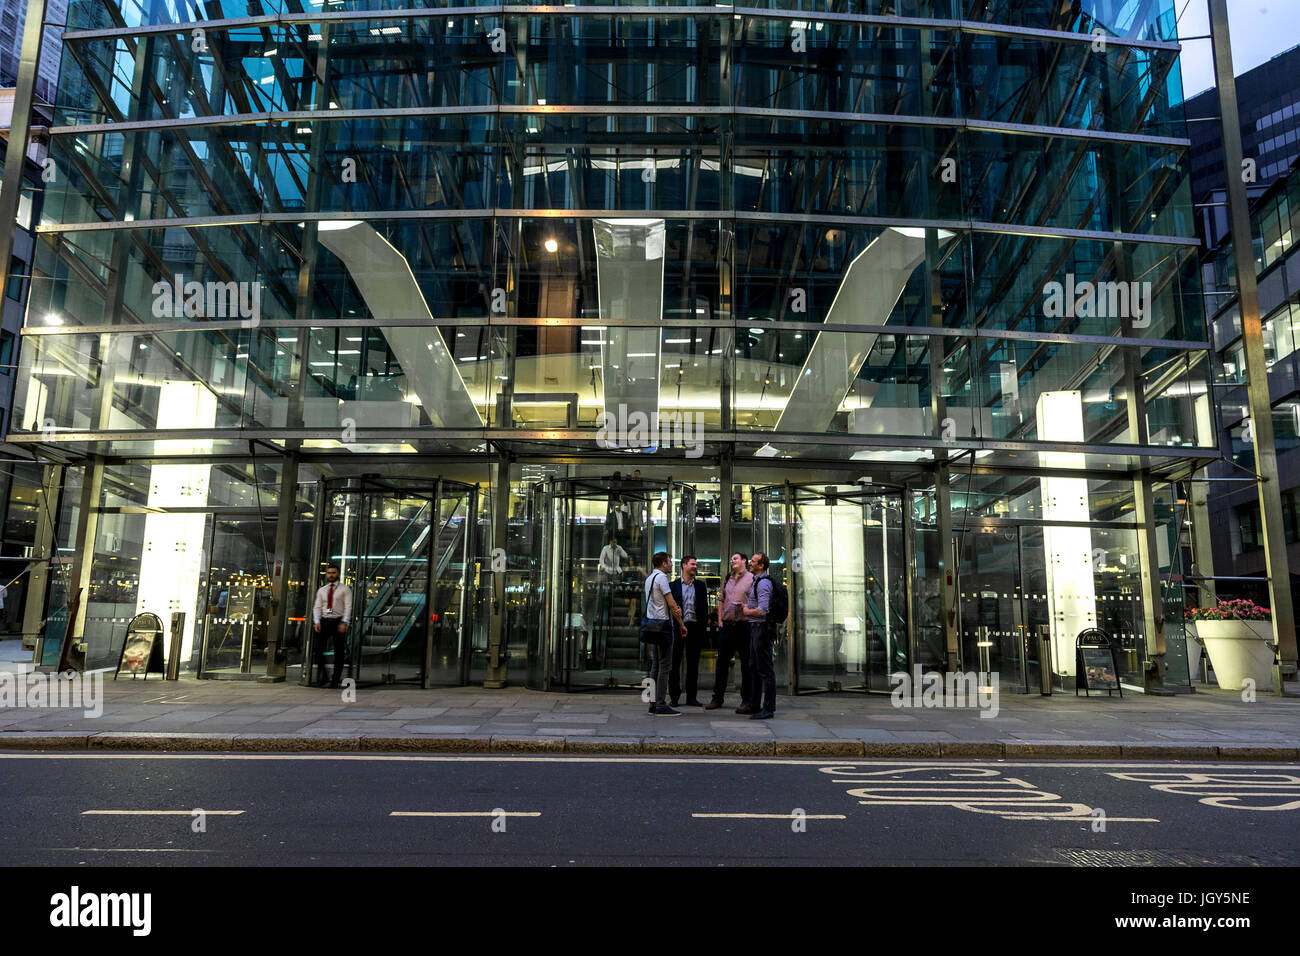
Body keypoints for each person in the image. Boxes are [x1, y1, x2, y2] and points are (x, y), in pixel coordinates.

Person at [708, 551, 753, 711]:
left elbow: (755, 601)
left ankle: (746, 700)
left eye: (735, 558)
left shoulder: (751, 579)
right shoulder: (727, 578)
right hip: (726, 626)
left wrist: (747, 609)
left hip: (743, 626)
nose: (732, 561)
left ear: (744, 561)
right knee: (721, 664)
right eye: (732, 558)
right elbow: (721, 600)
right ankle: (717, 698)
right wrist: (720, 620)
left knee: (746, 665)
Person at [644, 551, 687, 716]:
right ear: (663, 563)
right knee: (665, 666)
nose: (671, 564)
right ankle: (661, 704)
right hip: (663, 628)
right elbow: (672, 605)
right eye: (669, 561)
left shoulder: (649, 578)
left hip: (652, 626)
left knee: (655, 666)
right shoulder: (662, 579)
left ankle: (652, 704)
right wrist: (682, 625)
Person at [669, 555, 709, 707]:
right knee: (674, 663)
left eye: (695, 564)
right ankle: (674, 697)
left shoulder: (700, 585)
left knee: (693, 664)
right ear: (684, 565)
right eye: (692, 564)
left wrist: (702, 628)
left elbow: (704, 609)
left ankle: (692, 697)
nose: (695, 566)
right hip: (678, 628)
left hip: (694, 628)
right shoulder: (672, 586)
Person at [741, 552, 777, 719]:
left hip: (761, 629)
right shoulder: (756, 581)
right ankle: (755, 705)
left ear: (761, 565)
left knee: (765, 670)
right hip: (755, 628)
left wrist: (747, 611)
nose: (750, 563)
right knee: (754, 668)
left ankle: (768, 708)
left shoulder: (763, 584)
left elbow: (763, 610)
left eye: (753, 561)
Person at [311, 564, 353, 688]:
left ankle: (335, 680)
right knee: (318, 650)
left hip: (338, 621)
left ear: (338, 574)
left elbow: (348, 607)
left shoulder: (345, 589)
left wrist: (344, 622)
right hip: (324, 621)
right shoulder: (322, 590)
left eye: (333, 573)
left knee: (339, 652)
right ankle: (323, 676)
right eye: (329, 573)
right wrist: (317, 621)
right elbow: (317, 607)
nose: (331, 575)